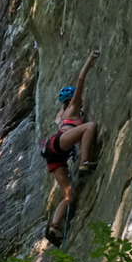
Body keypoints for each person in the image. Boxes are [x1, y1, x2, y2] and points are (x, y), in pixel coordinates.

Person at [40, 50, 99, 246]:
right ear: (72, 99)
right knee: (89, 127)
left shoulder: (61, 114)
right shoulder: (73, 108)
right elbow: (81, 79)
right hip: (58, 145)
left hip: (55, 156)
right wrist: (89, 59)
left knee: (70, 194)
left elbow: (59, 118)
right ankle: (85, 161)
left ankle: (54, 227)